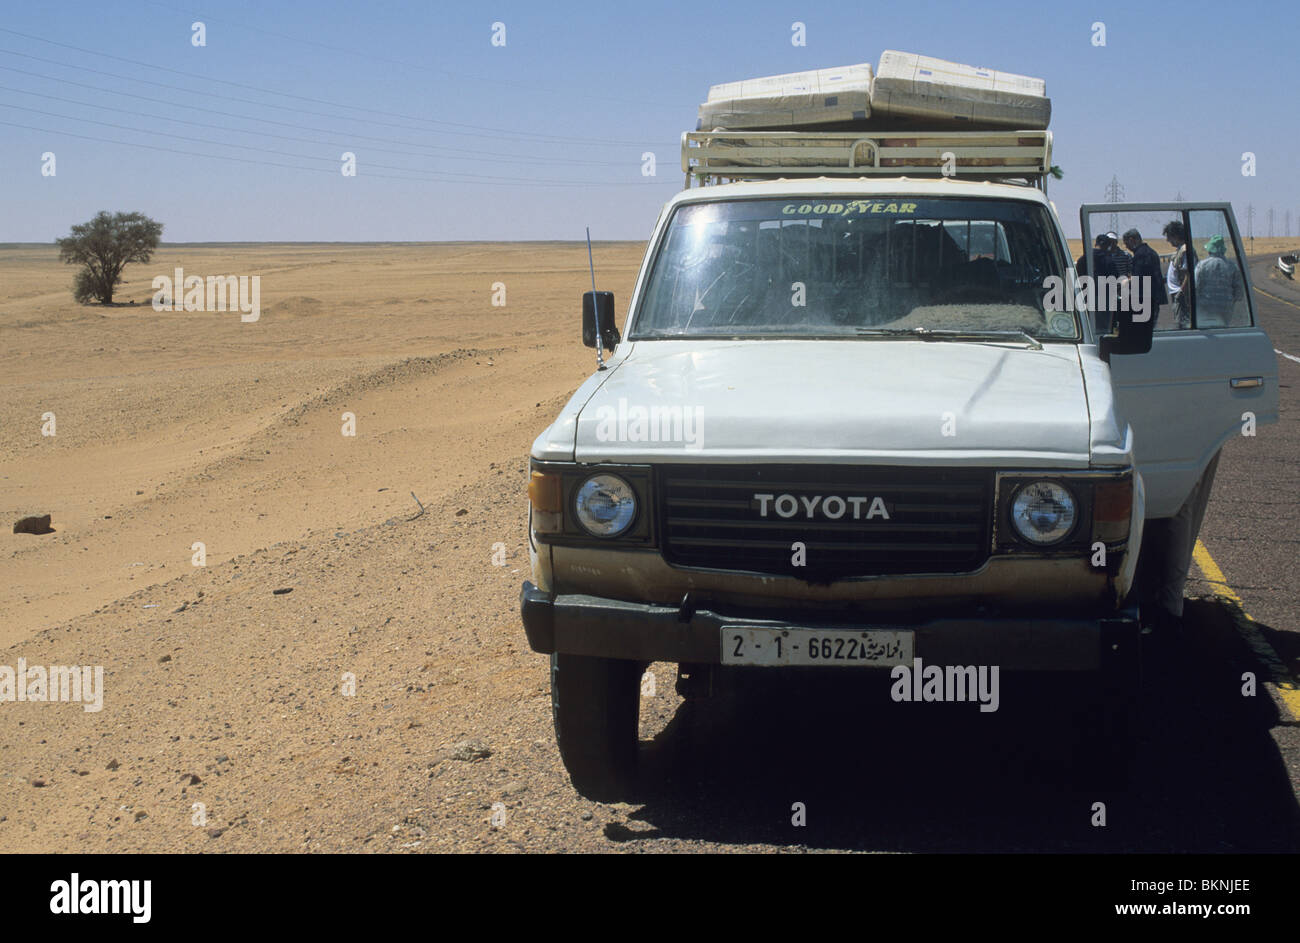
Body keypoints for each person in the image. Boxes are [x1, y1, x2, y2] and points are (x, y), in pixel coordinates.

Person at [1120, 228, 1167, 332]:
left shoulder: (1140, 255)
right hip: (1153, 297)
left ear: (1132, 240)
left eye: (1126, 243)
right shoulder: (1151, 252)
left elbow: (1138, 278)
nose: (1126, 247)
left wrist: (1127, 282)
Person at [1193, 234, 1244, 326]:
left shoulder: (1202, 265)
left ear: (1209, 250)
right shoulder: (1232, 266)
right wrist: (1231, 301)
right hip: (1226, 308)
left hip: (1206, 306)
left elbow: (1195, 286)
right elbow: (1239, 291)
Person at [1162, 220, 1197, 329]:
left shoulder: (1185, 250)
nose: (1168, 240)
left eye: (1169, 237)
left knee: (1182, 323)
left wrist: (1182, 291)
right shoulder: (1180, 250)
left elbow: (1189, 273)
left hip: (1181, 293)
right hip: (1177, 292)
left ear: (1176, 236)